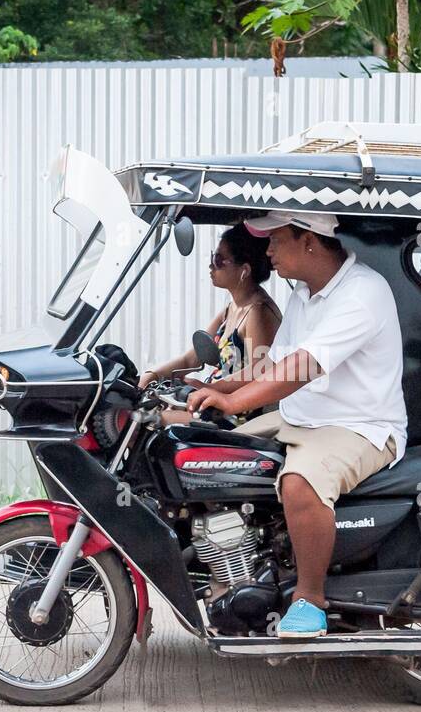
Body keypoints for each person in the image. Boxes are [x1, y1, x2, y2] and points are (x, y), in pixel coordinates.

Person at [187, 211, 407, 638]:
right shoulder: (303, 294)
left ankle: (310, 600)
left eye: (276, 240)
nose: (268, 252)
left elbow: (301, 368)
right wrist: (211, 387)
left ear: (309, 239)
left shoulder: (362, 293)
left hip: (359, 427)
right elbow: (272, 364)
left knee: (299, 484)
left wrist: (233, 399)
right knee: (208, 458)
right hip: (301, 417)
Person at [138, 226, 281, 426]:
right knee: (145, 411)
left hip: (241, 414)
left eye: (219, 260)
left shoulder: (258, 312)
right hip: (216, 403)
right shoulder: (231, 309)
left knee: (150, 421)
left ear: (244, 271)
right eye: (214, 257)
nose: (211, 266)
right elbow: (190, 359)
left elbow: (261, 370)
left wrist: (210, 387)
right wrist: (151, 375)